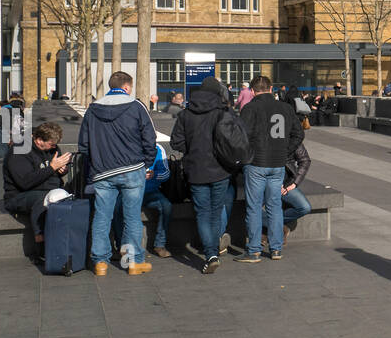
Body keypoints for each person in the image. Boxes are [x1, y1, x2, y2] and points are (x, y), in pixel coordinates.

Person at [78, 71, 156, 276]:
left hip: (102, 172)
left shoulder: (93, 109)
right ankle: (132, 262)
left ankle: (100, 262)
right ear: (127, 87)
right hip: (132, 169)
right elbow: (150, 138)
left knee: (102, 217)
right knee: (132, 218)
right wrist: (146, 163)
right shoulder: (137, 106)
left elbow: (84, 145)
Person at [171, 75, 237, 274]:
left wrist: (191, 150)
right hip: (219, 170)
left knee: (202, 213)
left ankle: (210, 254)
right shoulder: (223, 112)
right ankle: (212, 250)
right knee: (215, 212)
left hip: (196, 170)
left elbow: (176, 142)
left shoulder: (186, 114)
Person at [236, 74, 302, 263]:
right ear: (271, 89)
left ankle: (254, 250)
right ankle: (276, 249)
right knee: (275, 207)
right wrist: (284, 151)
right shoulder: (285, 108)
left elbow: (241, 138)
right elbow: (298, 134)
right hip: (277, 164)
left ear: (252, 91)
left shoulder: (250, 108)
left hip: (256, 164)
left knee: (254, 207)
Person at [2, 120, 72, 253]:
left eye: (55, 145)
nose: (54, 148)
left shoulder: (53, 148)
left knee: (65, 196)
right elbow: (25, 182)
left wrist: (62, 169)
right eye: (51, 145)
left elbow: (52, 170)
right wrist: (52, 167)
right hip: (19, 195)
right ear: (39, 140)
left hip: (49, 189)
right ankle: (41, 245)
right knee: (44, 200)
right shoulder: (19, 152)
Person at [262, 139, 312, 250]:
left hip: (286, 183)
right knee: (251, 208)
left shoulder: (292, 136)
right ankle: (279, 228)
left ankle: (270, 227)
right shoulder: (262, 134)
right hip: (265, 182)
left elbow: (305, 160)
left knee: (305, 207)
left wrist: (294, 183)